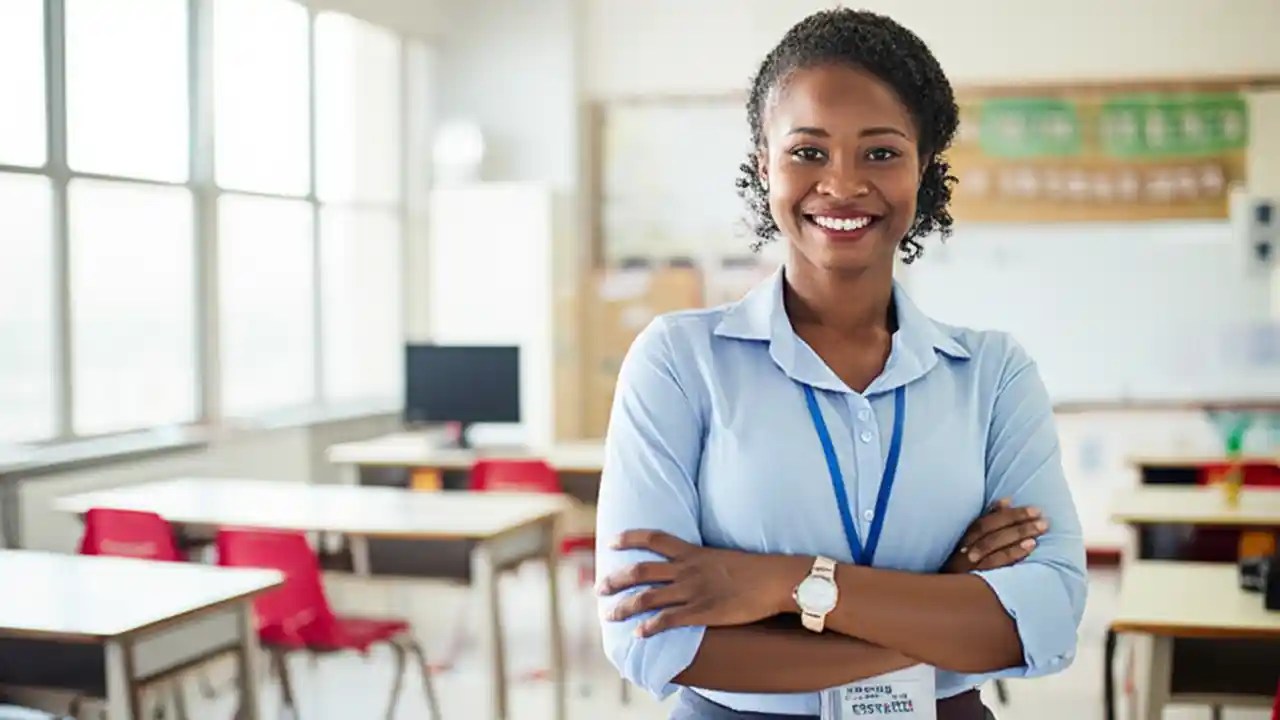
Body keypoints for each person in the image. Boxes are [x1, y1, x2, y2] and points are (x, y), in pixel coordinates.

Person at [594, 9, 1087, 720]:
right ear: (766, 165)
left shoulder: (993, 375)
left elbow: (1046, 618)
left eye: (881, 153)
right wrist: (943, 609)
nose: (843, 184)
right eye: (809, 152)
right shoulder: (678, 362)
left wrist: (787, 584)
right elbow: (652, 642)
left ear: (926, 166)